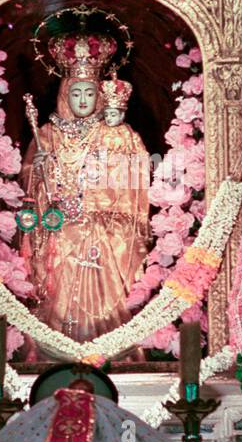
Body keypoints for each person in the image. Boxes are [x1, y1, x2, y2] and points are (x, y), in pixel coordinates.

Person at [19, 38, 150, 355]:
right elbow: (28, 185)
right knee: (62, 256)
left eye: (89, 92)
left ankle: (105, 346)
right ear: (65, 93)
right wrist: (39, 172)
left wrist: (98, 208)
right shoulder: (48, 134)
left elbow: (132, 184)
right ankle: (58, 347)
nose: (82, 99)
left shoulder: (116, 134)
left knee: (94, 247)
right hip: (57, 227)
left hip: (101, 229)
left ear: (99, 96)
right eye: (76, 93)